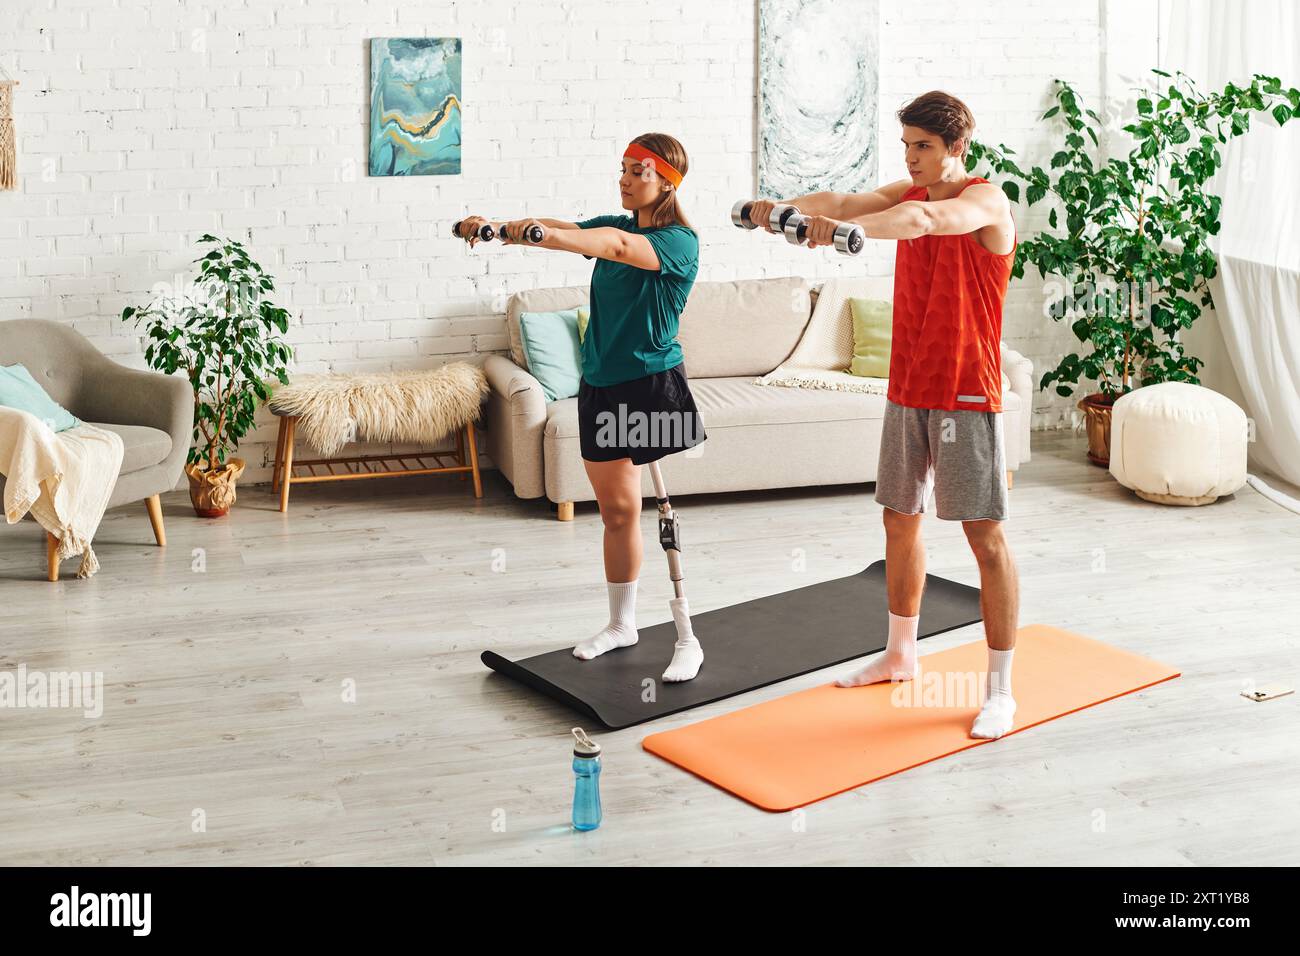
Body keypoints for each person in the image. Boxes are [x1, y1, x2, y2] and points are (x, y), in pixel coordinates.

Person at [747, 90, 1021, 739]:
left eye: (923, 146)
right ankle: (901, 654)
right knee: (899, 519)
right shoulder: (910, 192)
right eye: (906, 146)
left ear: (958, 146)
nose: (912, 158)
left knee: (983, 537)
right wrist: (785, 211)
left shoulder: (985, 202)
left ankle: (1001, 690)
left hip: (965, 392)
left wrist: (846, 234)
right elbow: (844, 205)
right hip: (908, 386)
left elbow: (920, 225)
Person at [457, 133, 707, 682]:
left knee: (660, 509)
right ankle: (623, 625)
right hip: (600, 384)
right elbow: (574, 230)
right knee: (618, 513)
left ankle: (687, 635)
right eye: (621, 169)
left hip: (651, 383)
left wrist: (559, 237)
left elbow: (612, 247)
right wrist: (503, 230)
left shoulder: (679, 241)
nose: (624, 179)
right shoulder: (612, 222)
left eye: (637, 171)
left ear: (665, 180)